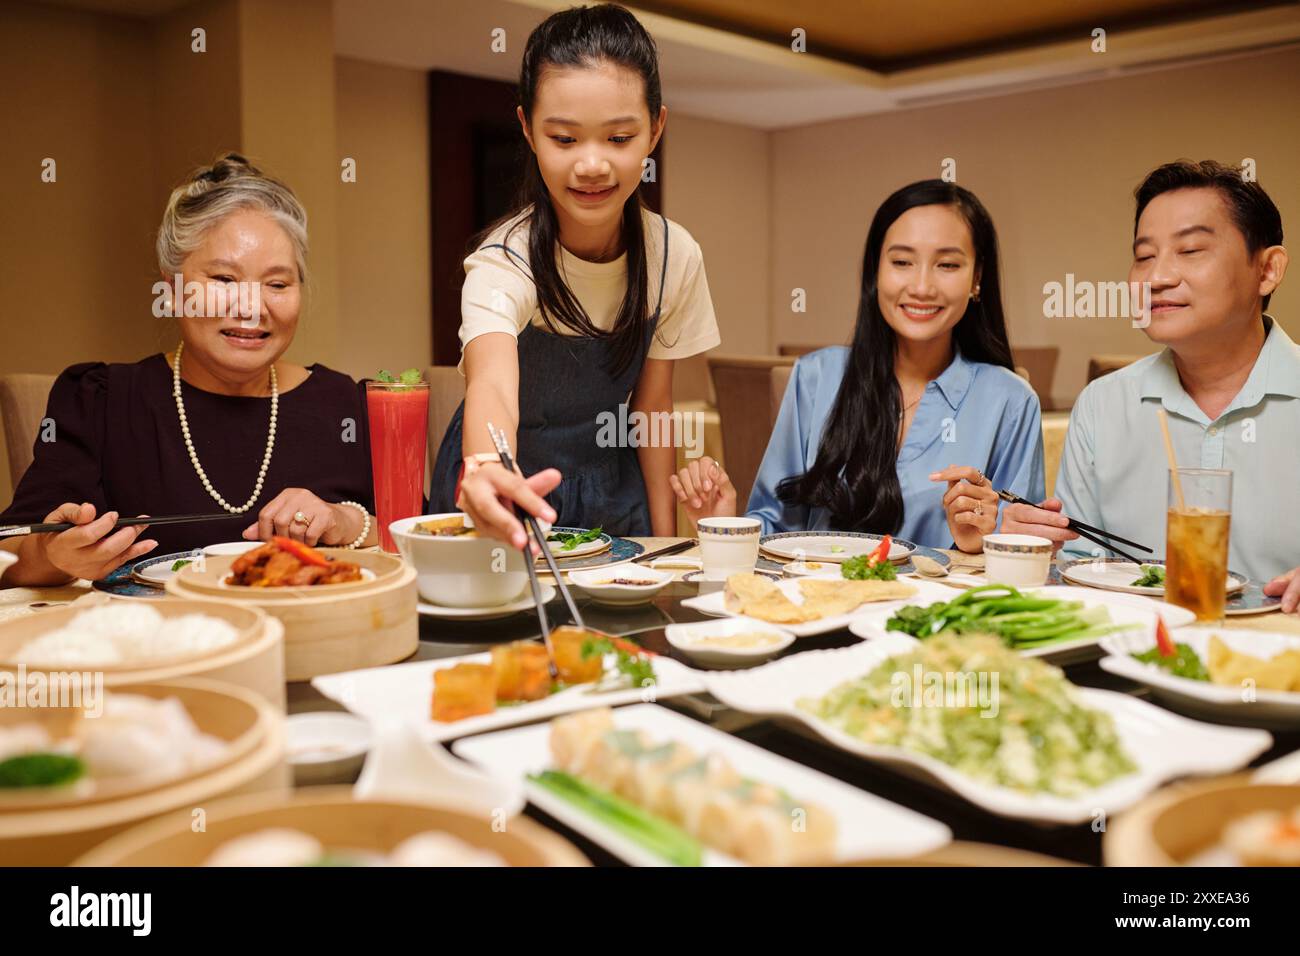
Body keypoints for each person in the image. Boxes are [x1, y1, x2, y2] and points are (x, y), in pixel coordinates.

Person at [0, 153, 375, 588]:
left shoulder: (341, 402)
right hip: (155, 646)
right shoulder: (100, 400)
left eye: (277, 284)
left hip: (318, 645)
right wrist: (56, 556)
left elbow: (415, 529)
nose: (251, 306)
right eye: (223, 279)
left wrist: (345, 522)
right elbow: (11, 552)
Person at [433, 3, 720, 550]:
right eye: (565, 139)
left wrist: (667, 547)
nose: (592, 165)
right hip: (508, 485)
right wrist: (485, 470)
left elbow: (652, 409)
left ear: (656, 128)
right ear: (528, 129)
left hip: (614, 486)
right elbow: (490, 382)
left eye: (618, 138)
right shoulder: (505, 260)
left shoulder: (673, 256)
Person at [670, 180, 1044, 553]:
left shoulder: (1011, 401)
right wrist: (723, 520)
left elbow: (1022, 560)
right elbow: (775, 533)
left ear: (977, 278)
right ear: (875, 271)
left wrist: (981, 543)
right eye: (901, 262)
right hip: (819, 604)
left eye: (947, 264)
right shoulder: (814, 378)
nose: (922, 286)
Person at [1001, 160, 1297, 610]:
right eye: (1143, 256)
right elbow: (1083, 567)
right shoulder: (1103, 404)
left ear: (1267, 269)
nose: (1157, 278)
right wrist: (1042, 548)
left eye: (1191, 250)